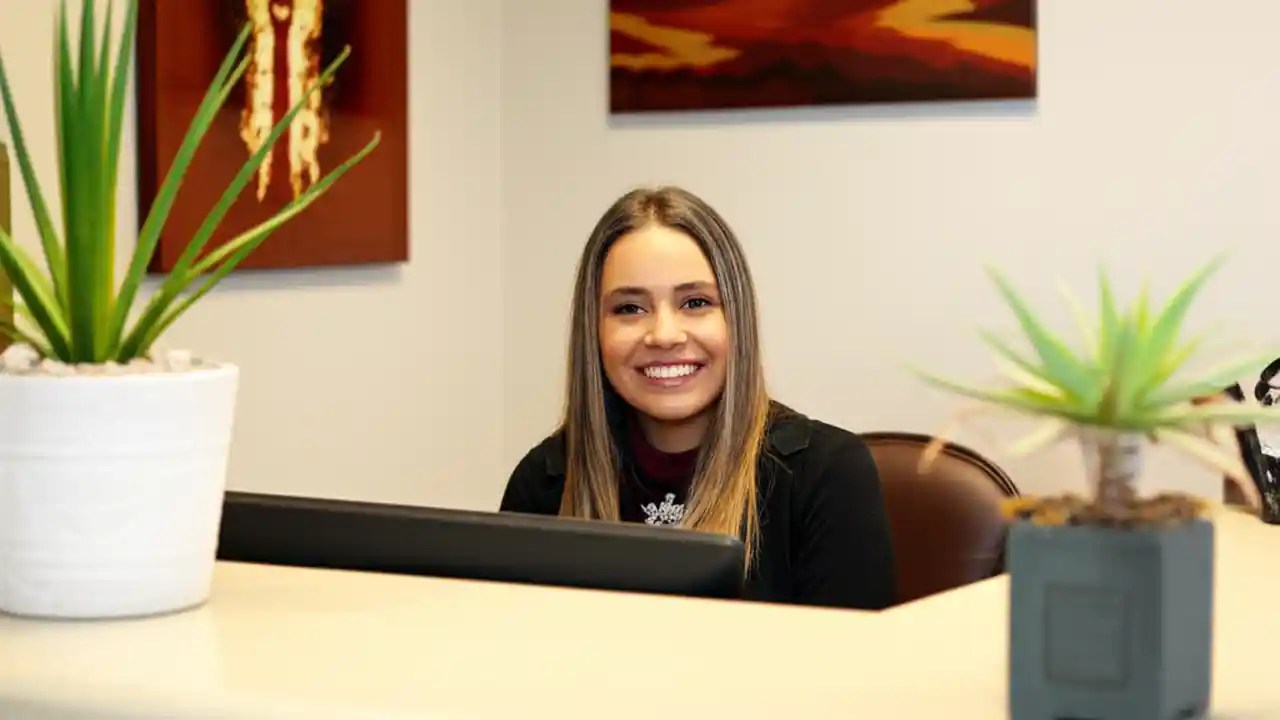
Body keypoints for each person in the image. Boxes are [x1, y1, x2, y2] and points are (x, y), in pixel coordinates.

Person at [500, 186, 896, 610]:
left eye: (695, 302)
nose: (664, 335)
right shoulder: (545, 482)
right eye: (630, 308)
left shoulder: (825, 474)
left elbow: (854, 672)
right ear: (593, 332)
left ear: (736, 319)